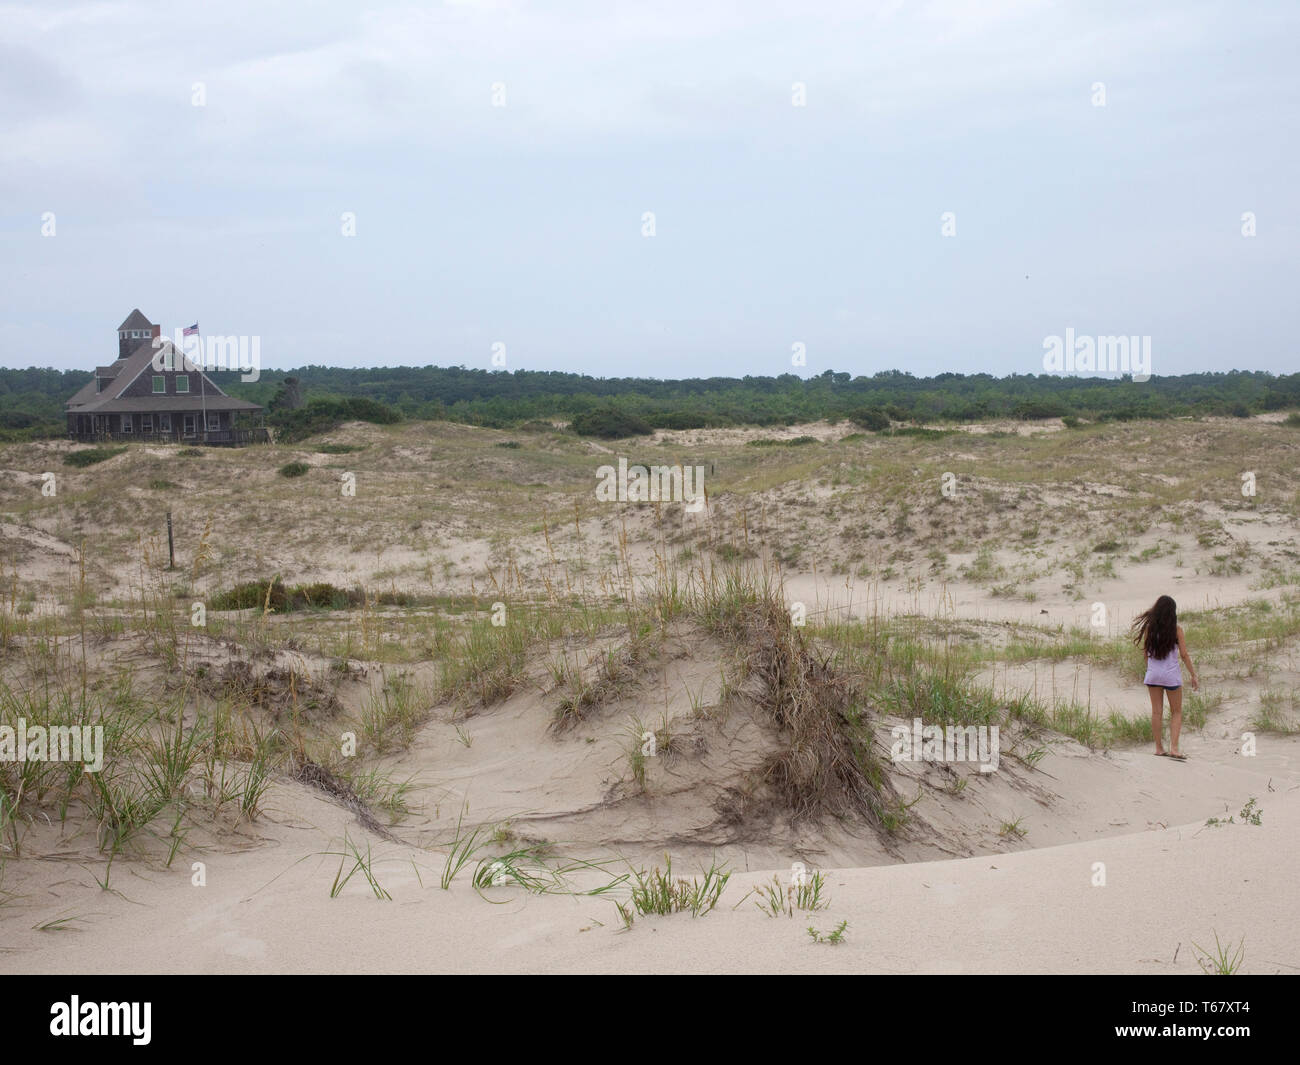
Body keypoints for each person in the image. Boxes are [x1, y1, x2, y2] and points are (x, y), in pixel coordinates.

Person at [1130, 595, 1199, 760]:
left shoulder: (1149, 629)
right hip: (1171, 676)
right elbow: (1184, 655)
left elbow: (1146, 654)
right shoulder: (1176, 630)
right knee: (1176, 711)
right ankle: (1174, 748)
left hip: (1153, 675)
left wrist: (1151, 669)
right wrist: (1193, 674)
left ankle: (1159, 748)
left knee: (1156, 712)